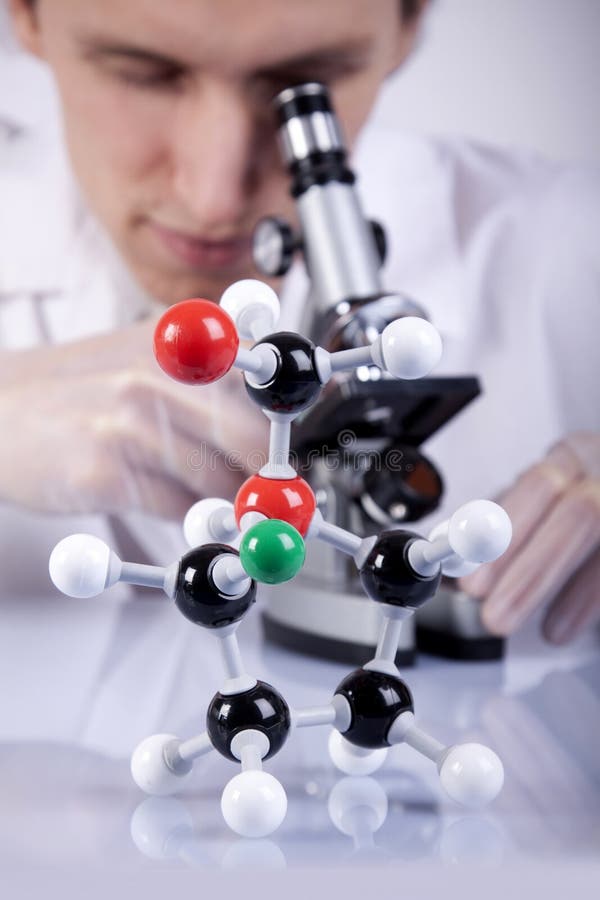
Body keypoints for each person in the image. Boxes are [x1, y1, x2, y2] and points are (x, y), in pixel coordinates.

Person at [0, 0, 598, 751]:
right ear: (25, 15)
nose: (212, 194)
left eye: (306, 80)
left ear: (408, 29)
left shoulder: (576, 248)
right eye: (144, 73)